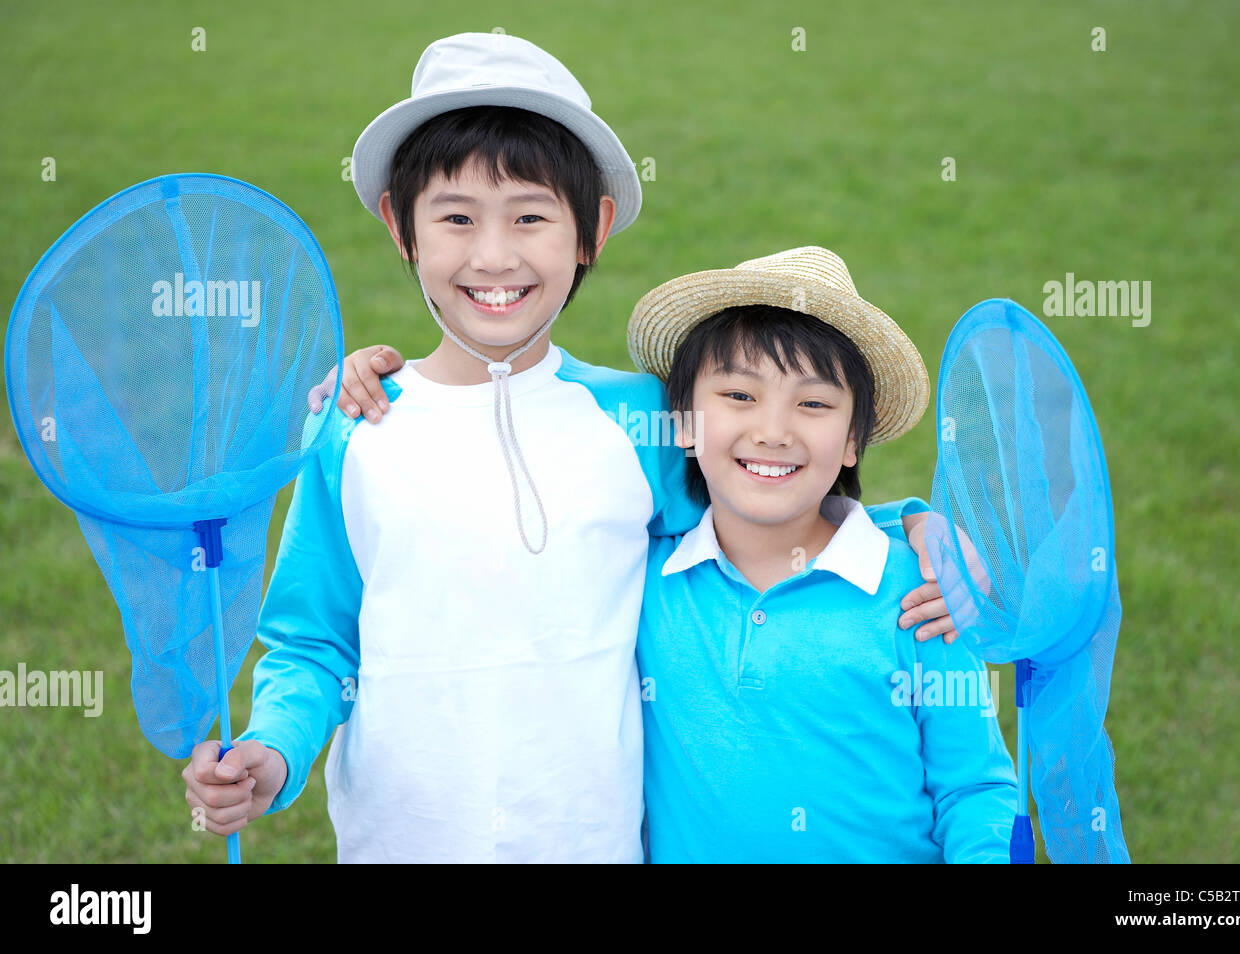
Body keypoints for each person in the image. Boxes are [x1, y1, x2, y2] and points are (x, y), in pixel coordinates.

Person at [182, 34, 952, 862]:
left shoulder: (639, 420)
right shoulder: (354, 426)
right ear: (399, 227)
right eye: (454, 218)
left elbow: (767, 503)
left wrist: (908, 524)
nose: (493, 256)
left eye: (531, 217)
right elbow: (314, 640)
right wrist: (273, 750)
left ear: (593, 229)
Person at [628, 247, 1017, 862]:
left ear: (853, 439)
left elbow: (974, 786)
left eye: (813, 404)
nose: (773, 430)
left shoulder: (920, 594)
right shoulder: (645, 577)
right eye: (738, 395)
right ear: (684, 423)